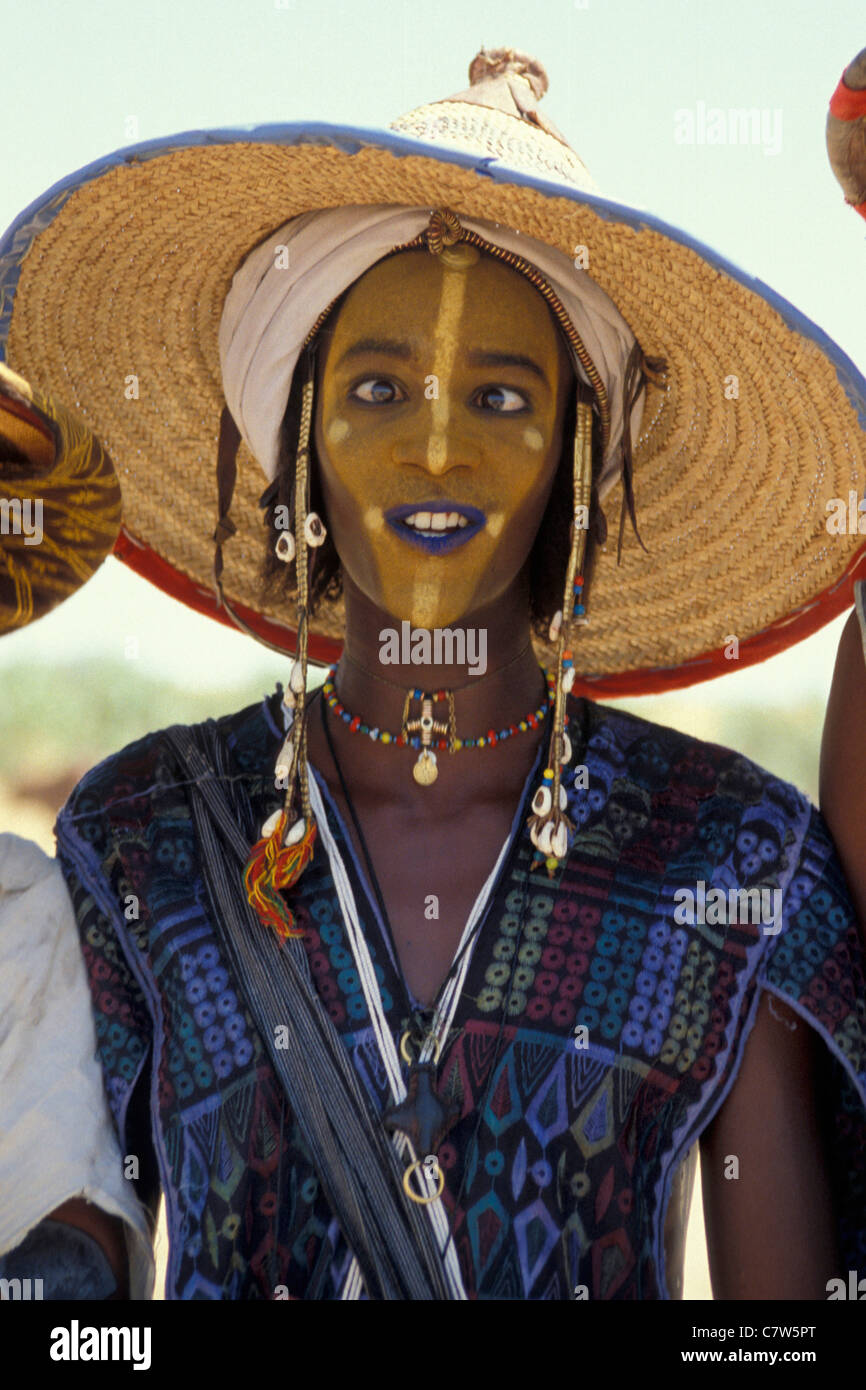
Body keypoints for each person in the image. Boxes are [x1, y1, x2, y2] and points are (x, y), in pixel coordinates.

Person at [1, 47, 865, 1302]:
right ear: (295, 439)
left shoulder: (729, 860)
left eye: (504, 397)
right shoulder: (137, 840)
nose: (439, 446)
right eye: (376, 388)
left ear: (576, 460)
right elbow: (82, 1247)